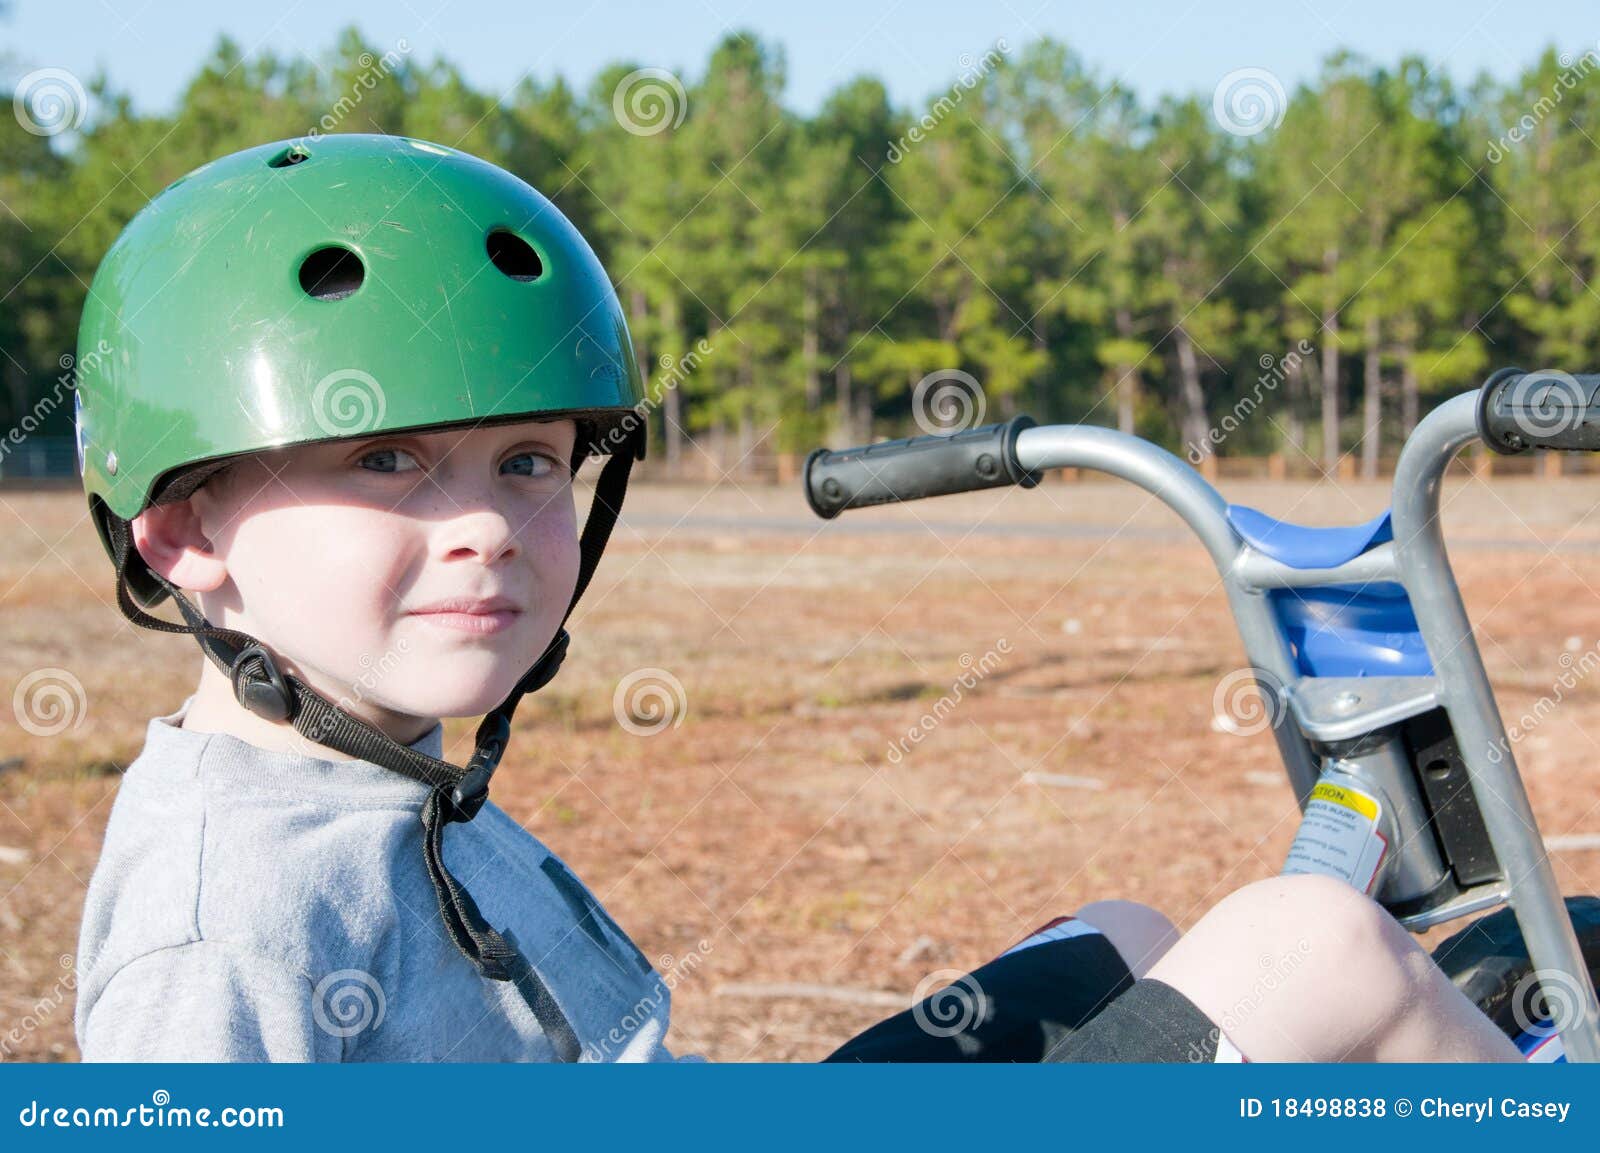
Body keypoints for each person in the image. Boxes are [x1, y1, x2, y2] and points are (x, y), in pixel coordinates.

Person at [69, 133, 1520, 1064]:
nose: (484, 532)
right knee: (1310, 946)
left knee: (1127, 937)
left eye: (525, 460)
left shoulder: (377, 772)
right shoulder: (225, 925)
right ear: (185, 533)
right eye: (386, 460)